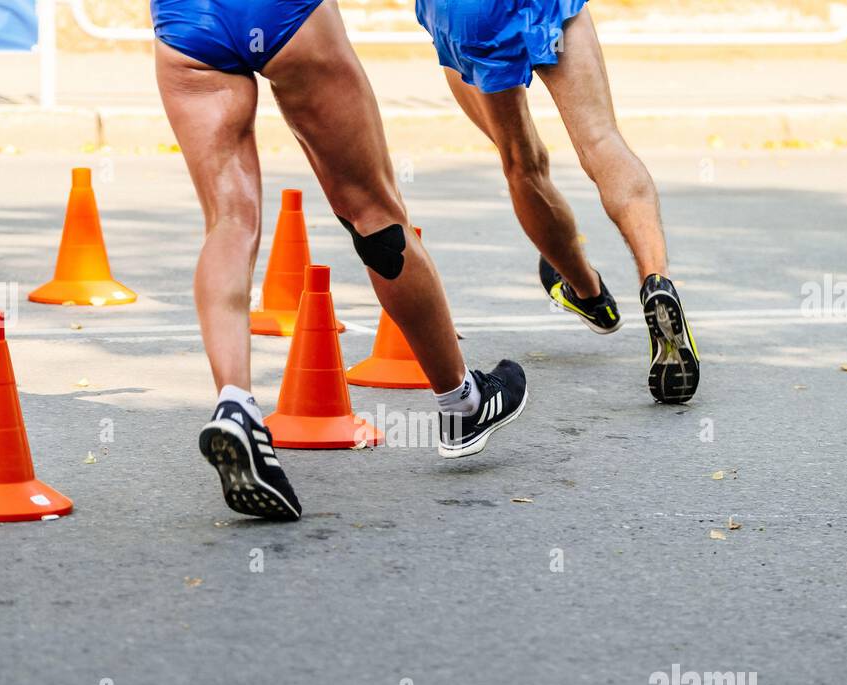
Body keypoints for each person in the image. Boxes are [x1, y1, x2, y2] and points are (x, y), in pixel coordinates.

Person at [151, 0, 529, 522]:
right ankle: (461, 402)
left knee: (228, 221)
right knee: (374, 214)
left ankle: (235, 404)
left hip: (186, 24)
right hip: (284, 15)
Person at [415, 0, 699, 404]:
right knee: (601, 139)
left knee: (522, 164)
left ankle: (588, 294)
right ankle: (656, 280)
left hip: (466, 13)